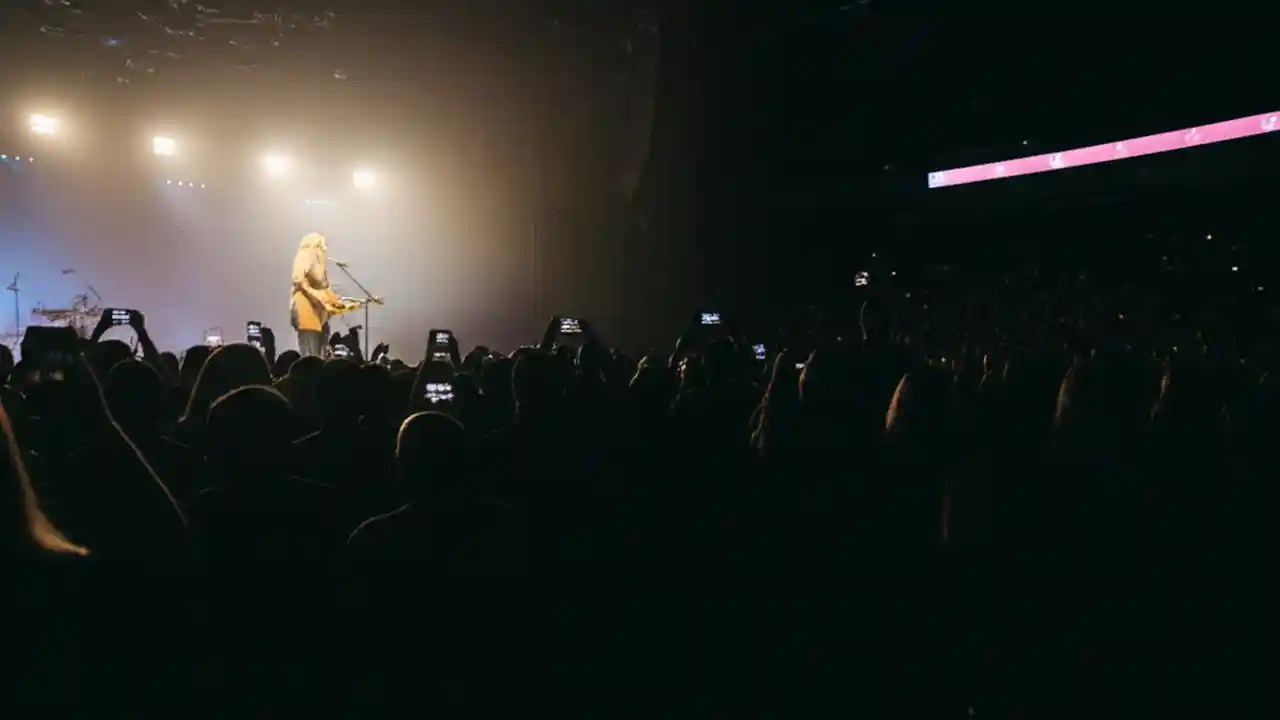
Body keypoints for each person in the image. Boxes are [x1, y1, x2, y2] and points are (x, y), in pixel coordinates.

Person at [290, 232, 349, 357]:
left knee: (320, 351)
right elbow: (299, 280)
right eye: (321, 247)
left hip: (320, 316)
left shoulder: (320, 266)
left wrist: (339, 304)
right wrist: (317, 297)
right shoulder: (305, 257)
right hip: (306, 313)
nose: (324, 250)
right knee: (310, 353)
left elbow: (325, 288)